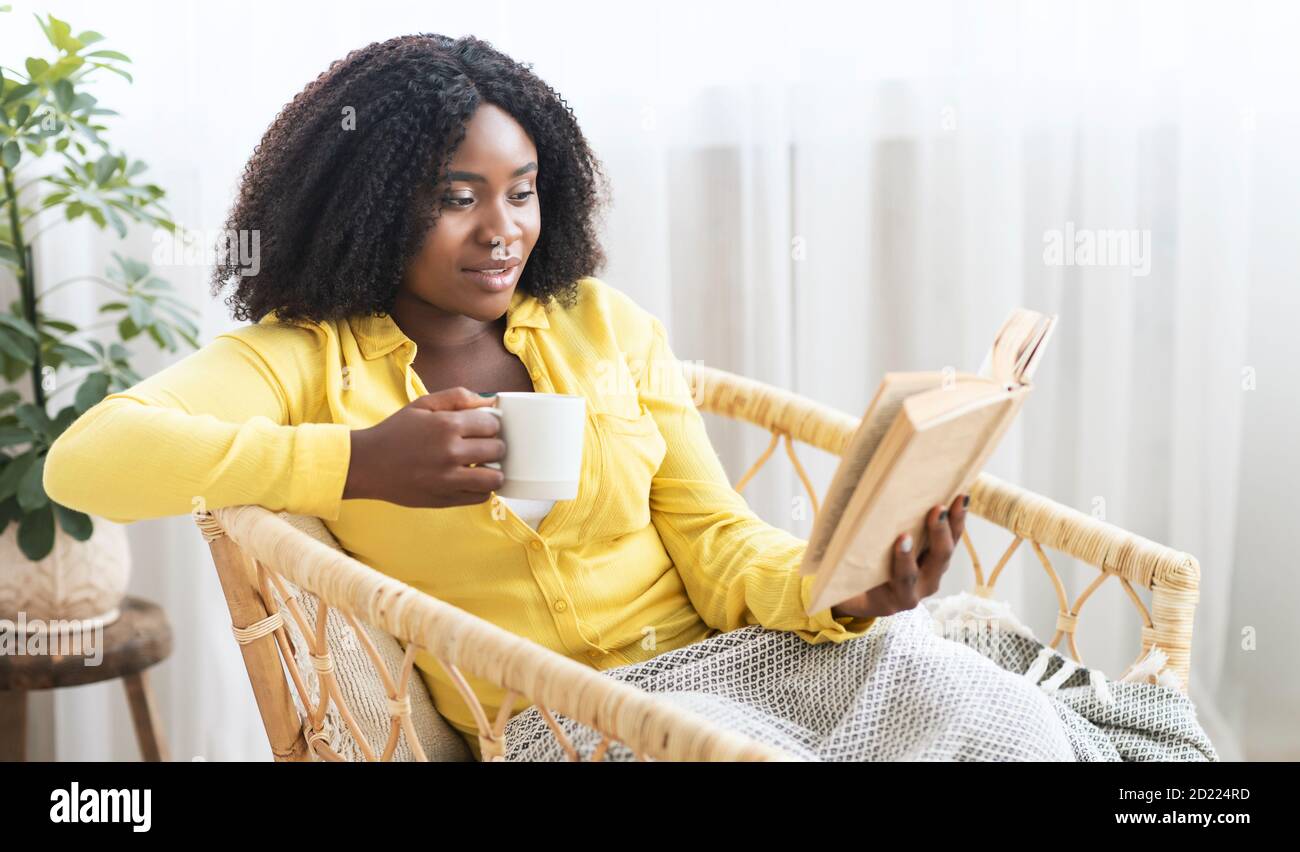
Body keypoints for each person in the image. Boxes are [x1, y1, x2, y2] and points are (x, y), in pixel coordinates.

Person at [43, 34, 967, 761]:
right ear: (366, 206)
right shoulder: (302, 359)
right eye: (459, 198)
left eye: (522, 192)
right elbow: (87, 464)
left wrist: (838, 591)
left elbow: (716, 542)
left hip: (742, 671)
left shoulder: (600, 322)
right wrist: (360, 463)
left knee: (964, 701)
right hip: (565, 732)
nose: (504, 230)